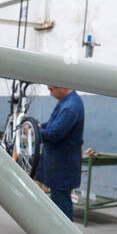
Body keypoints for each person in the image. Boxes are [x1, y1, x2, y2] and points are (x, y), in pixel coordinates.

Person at [37, 85, 85, 219]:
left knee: (61, 203)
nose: (51, 94)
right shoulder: (68, 102)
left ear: (62, 86)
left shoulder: (70, 106)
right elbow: (54, 123)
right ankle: (59, 232)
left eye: (52, 90)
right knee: (58, 200)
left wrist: (35, 132)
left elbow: (54, 133)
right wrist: (41, 126)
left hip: (63, 164)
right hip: (59, 163)